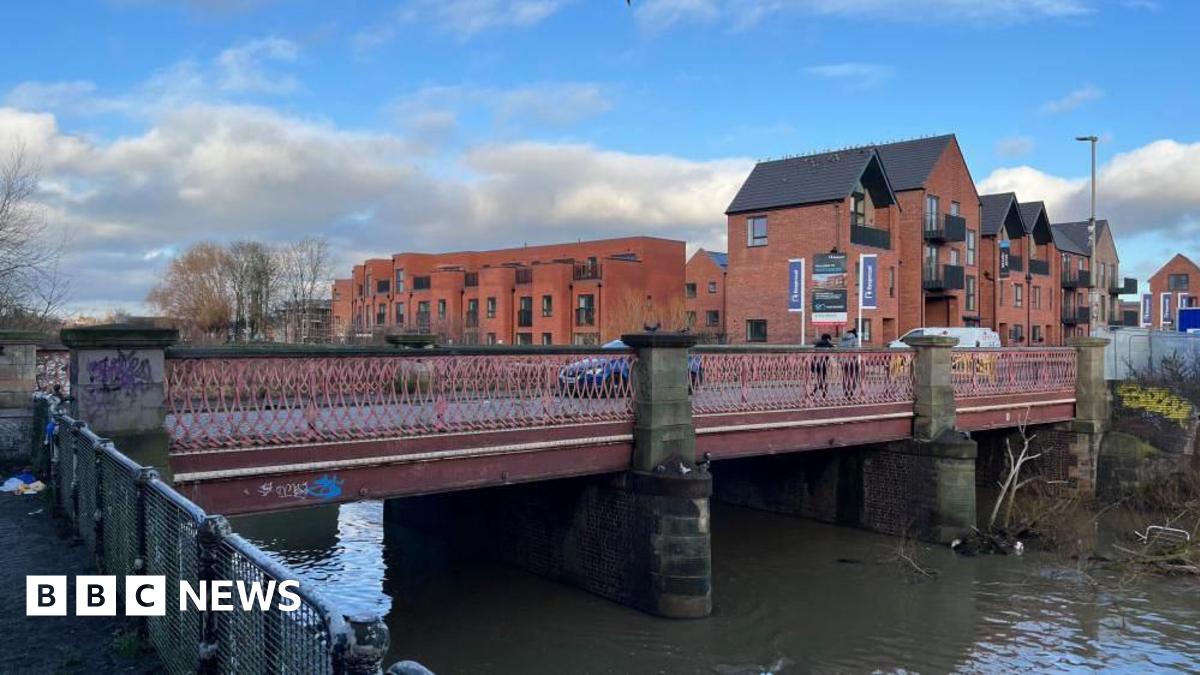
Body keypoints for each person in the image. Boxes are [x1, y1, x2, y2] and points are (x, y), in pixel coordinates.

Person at [839, 328, 860, 398]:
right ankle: (850, 392)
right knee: (853, 377)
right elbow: (856, 350)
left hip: (843, 361)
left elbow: (839, 349)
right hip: (852, 361)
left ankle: (845, 392)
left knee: (845, 377)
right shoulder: (854, 339)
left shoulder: (842, 339)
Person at [811, 333, 834, 398]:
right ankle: (822, 390)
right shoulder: (827, 344)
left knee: (819, 378)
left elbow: (813, 352)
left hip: (815, 363)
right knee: (822, 378)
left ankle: (817, 390)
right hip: (822, 364)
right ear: (827, 339)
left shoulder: (817, 344)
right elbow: (835, 350)